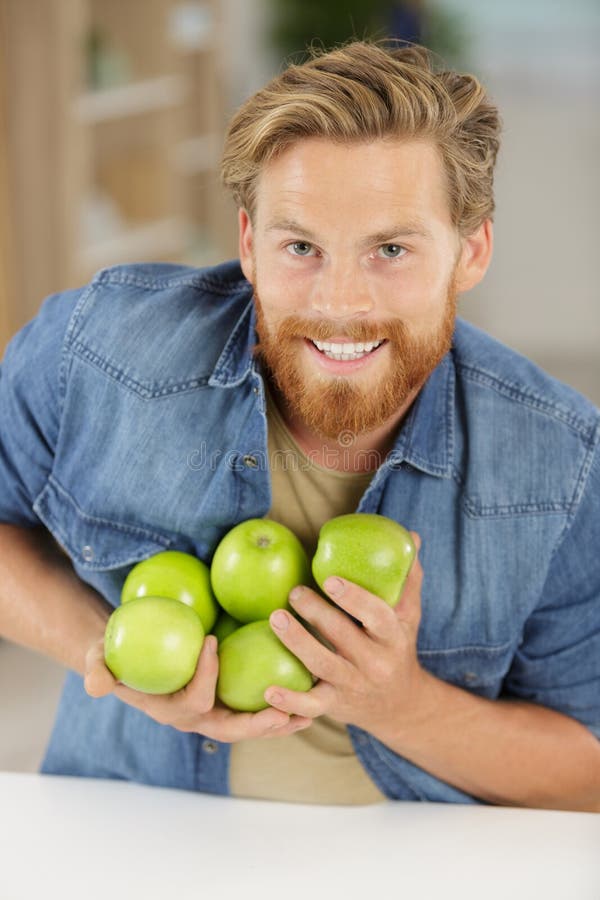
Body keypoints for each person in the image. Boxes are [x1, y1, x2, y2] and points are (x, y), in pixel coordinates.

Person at [1, 41, 599, 811]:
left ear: (469, 251)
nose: (340, 301)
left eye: (391, 248)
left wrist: (402, 704)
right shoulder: (99, 349)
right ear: (249, 243)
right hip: (139, 840)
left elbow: (588, 772)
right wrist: (99, 645)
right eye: (300, 247)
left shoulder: (558, 460)